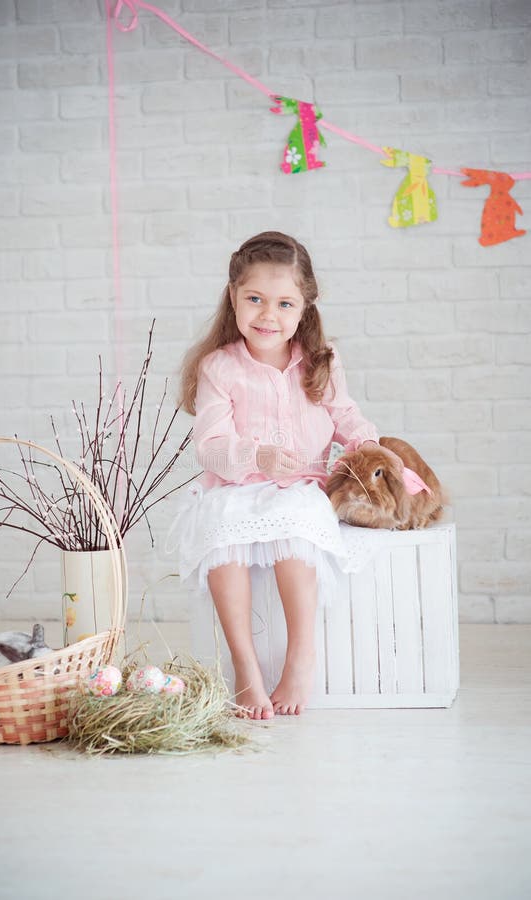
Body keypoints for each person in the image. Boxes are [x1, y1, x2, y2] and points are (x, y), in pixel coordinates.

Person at [175, 231, 400, 721]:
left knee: (297, 524)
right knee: (221, 537)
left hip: (300, 487)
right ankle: (246, 666)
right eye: (254, 299)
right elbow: (210, 446)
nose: (267, 315)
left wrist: (371, 445)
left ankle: (300, 656)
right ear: (233, 296)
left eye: (283, 303)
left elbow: (347, 415)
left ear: (304, 308)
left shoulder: (321, 361)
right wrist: (257, 457)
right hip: (236, 486)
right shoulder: (219, 367)